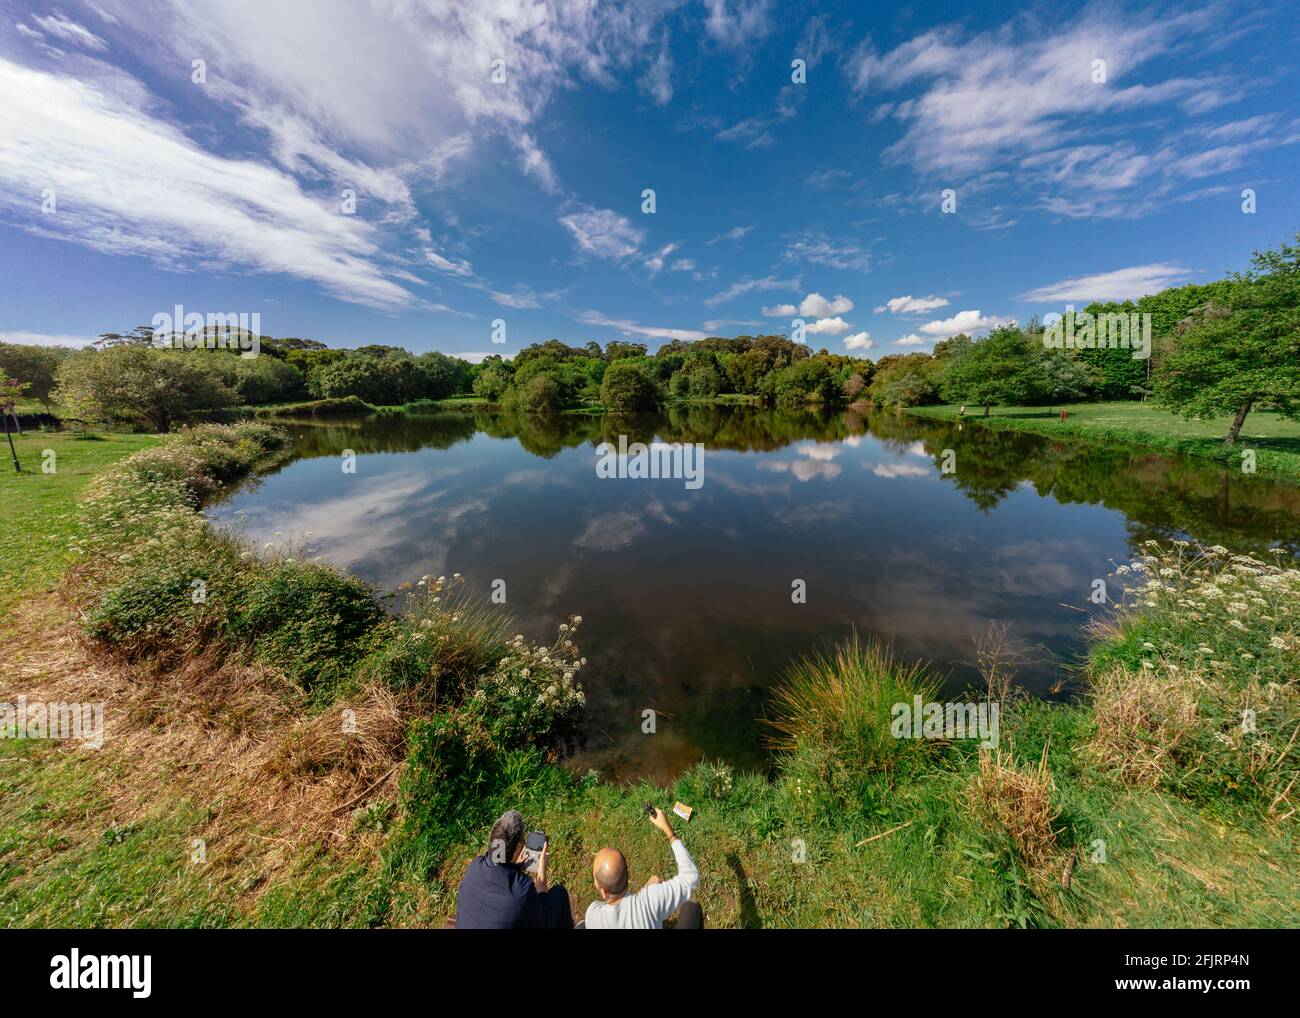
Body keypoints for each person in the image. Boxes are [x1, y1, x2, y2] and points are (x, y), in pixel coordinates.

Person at [584, 804, 702, 929]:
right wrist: (667, 830)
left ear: (603, 892)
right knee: (691, 906)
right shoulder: (649, 901)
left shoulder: (592, 914)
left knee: (581, 926)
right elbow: (691, 877)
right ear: (626, 873)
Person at [454, 809, 573, 929]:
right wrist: (541, 877)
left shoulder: (475, 866)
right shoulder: (523, 889)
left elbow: (497, 875)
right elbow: (542, 924)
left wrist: (515, 866)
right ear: (519, 846)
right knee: (559, 893)